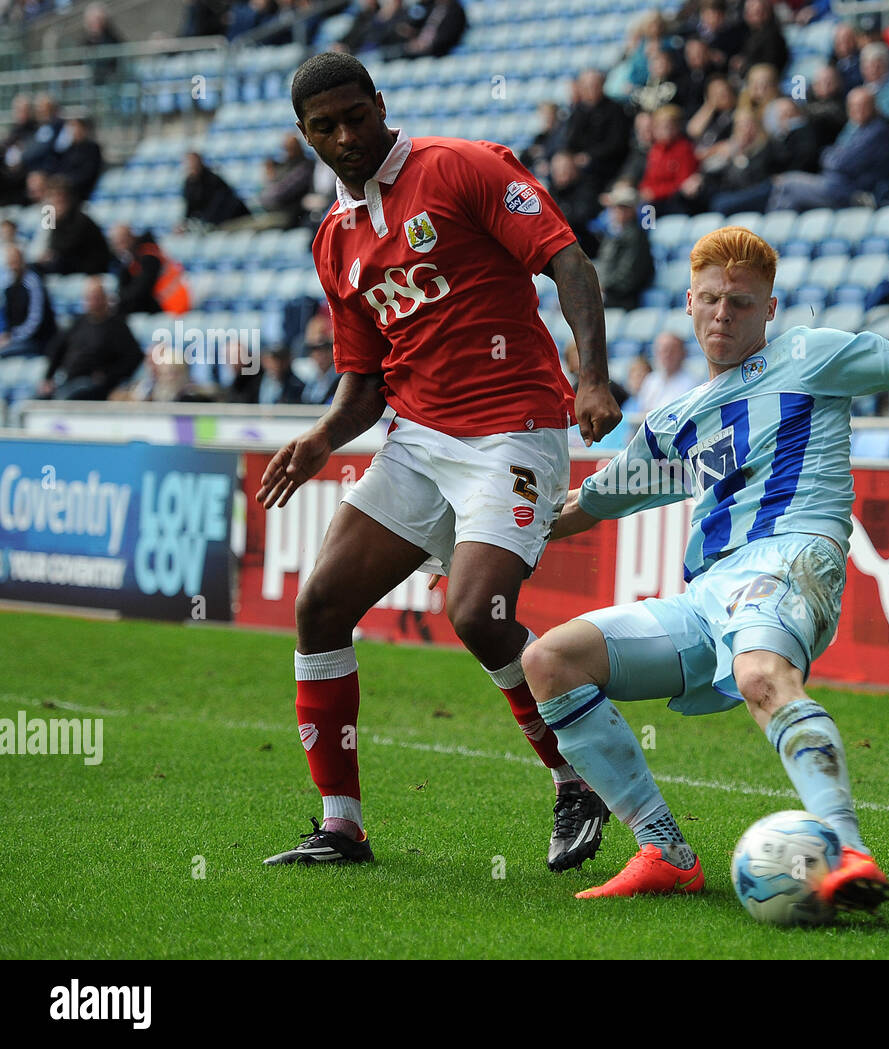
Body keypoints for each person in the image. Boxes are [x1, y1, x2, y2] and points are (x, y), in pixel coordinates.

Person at [519, 225, 889, 899]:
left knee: (760, 672)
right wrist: (475, 542)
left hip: (794, 557)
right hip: (709, 591)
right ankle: (665, 850)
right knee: (550, 661)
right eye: (712, 299)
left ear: (770, 310)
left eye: (741, 303)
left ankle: (850, 852)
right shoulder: (671, 423)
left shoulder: (812, 355)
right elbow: (591, 506)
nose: (724, 314)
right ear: (688, 302)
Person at [257, 53, 621, 871]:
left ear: (380, 104)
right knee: (320, 605)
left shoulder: (462, 167)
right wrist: (322, 437)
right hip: (420, 439)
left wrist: (591, 375)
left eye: (358, 115)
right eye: (327, 126)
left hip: (515, 427)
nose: (347, 135)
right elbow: (363, 380)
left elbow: (569, 260)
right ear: (305, 135)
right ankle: (341, 825)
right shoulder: (334, 240)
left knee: (477, 611)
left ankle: (573, 780)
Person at [767, 87, 889, 210]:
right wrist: (834, 156)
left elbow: (841, 163)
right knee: (789, 199)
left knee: (786, 184)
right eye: (853, 106)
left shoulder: (878, 131)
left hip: (856, 192)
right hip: (836, 185)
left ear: (874, 106)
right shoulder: (854, 128)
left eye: (863, 105)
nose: (858, 110)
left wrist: (834, 156)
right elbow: (828, 154)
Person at [39, 276, 142, 400]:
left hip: (95, 384)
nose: (92, 302)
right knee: (39, 398)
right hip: (69, 379)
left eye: (96, 297)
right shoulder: (77, 323)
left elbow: (134, 357)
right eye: (89, 298)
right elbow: (57, 350)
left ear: (105, 299)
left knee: (66, 397)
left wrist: (108, 376)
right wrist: (48, 378)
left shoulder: (117, 327)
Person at [594, 182, 654, 310]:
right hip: (609, 294)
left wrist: (604, 287)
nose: (616, 212)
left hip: (623, 299)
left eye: (621, 208)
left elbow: (629, 275)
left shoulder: (636, 237)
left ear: (631, 209)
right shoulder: (612, 234)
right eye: (614, 208)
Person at [109, 225, 191, 316]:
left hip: (169, 301)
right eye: (116, 243)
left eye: (122, 241)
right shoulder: (131, 259)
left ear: (131, 237)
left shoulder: (149, 254)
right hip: (161, 301)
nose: (119, 246)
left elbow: (143, 287)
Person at [0, 244, 57, 358]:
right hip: (15, 337)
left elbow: (35, 320)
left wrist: (13, 337)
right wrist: (4, 334)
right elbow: (4, 314)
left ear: (22, 260)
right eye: (10, 261)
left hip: (37, 340)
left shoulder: (33, 282)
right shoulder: (9, 284)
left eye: (16, 260)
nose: (13, 265)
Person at [635, 331, 696, 411]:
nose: (667, 355)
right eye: (662, 350)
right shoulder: (650, 380)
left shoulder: (691, 384)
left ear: (683, 353)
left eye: (672, 350)